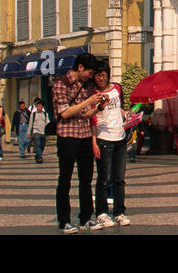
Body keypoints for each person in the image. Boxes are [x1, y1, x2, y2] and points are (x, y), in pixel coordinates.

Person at [51, 52, 104, 232]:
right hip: (67, 136)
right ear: (80, 67)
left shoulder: (85, 86)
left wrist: (98, 108)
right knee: (65, 180)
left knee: (86, 179)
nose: (92, 75)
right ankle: (64, 220)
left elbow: (84, 114)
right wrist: (88, 100)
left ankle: (86, 217)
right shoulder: (60, 83)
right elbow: (64, 112)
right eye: (90, 71)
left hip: (84, 136)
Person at [91, 65, 132, 227]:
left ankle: (119, 212)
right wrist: (93, 141)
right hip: (103, 138)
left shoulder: (116, 89)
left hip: (120, 138)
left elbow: (117, 109)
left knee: (119, 179)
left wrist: (127, 115)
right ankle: (101, 213)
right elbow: (93, 118)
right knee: (103, 179)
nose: (100, 78)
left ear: (108, 75)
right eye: (97, 76)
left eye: (103, 75)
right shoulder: (93, 94)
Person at [27, 98, 49, 163]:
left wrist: (48, 131)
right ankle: (39, 158)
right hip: (36, 132)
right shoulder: (33, 114)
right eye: (37, 106)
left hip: (43, 132)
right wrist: (28, 133)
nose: (38, 107)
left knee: (42, 146)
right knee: (38, 144)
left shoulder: (45, 114)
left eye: (40, 106)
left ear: (43, 107)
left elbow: (47, 123)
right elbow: (30, 123)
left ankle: (38, 155)